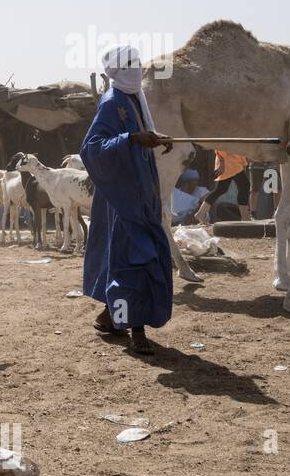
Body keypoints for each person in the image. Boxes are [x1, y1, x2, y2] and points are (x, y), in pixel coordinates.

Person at [81, 46, 174, 355]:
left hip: (140, 194)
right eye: (131, 65)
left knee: (130, 260)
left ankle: (110, 318)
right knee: (133, 262)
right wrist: (133, 139)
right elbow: (92, 148)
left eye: (138, 63)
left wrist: (154, 137)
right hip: (121, 200)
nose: (138, 69)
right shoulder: (111, 103)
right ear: (117, 72)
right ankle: (137, 331)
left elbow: (139, 132)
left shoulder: (135, 99)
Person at [195, 151, 251, 224]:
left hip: (233, 160)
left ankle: (201, 213)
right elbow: (220, 145)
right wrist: (222, 162)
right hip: (228, 162)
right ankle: (245, 218)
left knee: (221, 189)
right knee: (244, 185)